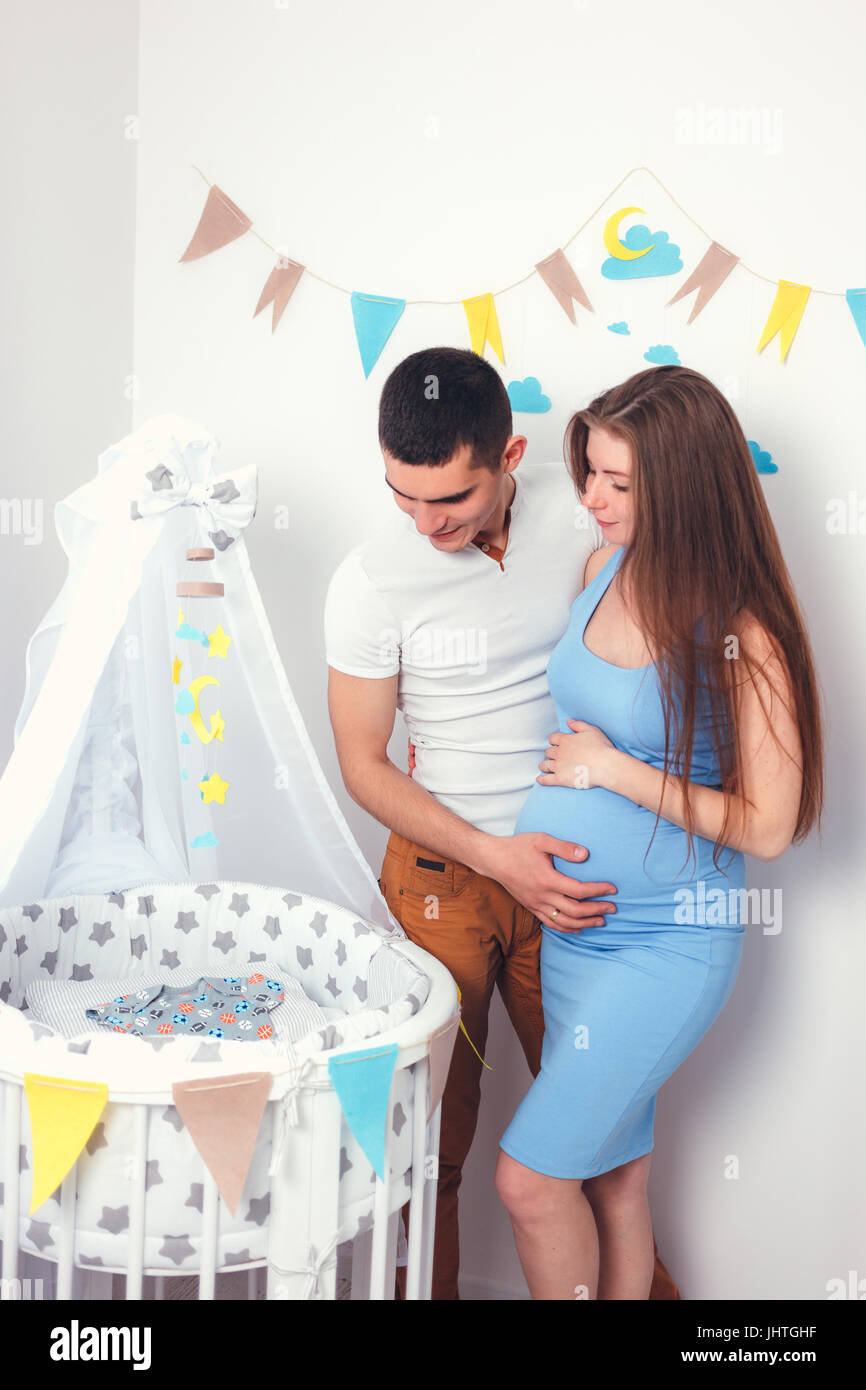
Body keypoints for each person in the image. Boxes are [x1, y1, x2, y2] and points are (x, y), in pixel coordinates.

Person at [324, 347, 680, 1300]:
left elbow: (654, 656)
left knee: (600, 1138)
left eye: (453, 501)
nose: (426, 523)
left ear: (511, 454)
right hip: (444, 882)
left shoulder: (591, 511)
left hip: (571, 870)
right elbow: (362, 763)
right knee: (427, 1145)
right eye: (405, 497)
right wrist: (492, 856)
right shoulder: (369, 580)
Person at [495, 364, 825, 1299]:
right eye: (590, 473)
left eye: (620, 484)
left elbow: (768, 827)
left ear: (682, 490)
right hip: (576, 936)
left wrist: (614, 773)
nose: (592, 499)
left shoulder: (742, 630)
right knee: (618, 1175)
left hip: (667, 944)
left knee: (527, 1182)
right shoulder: (604, 570)